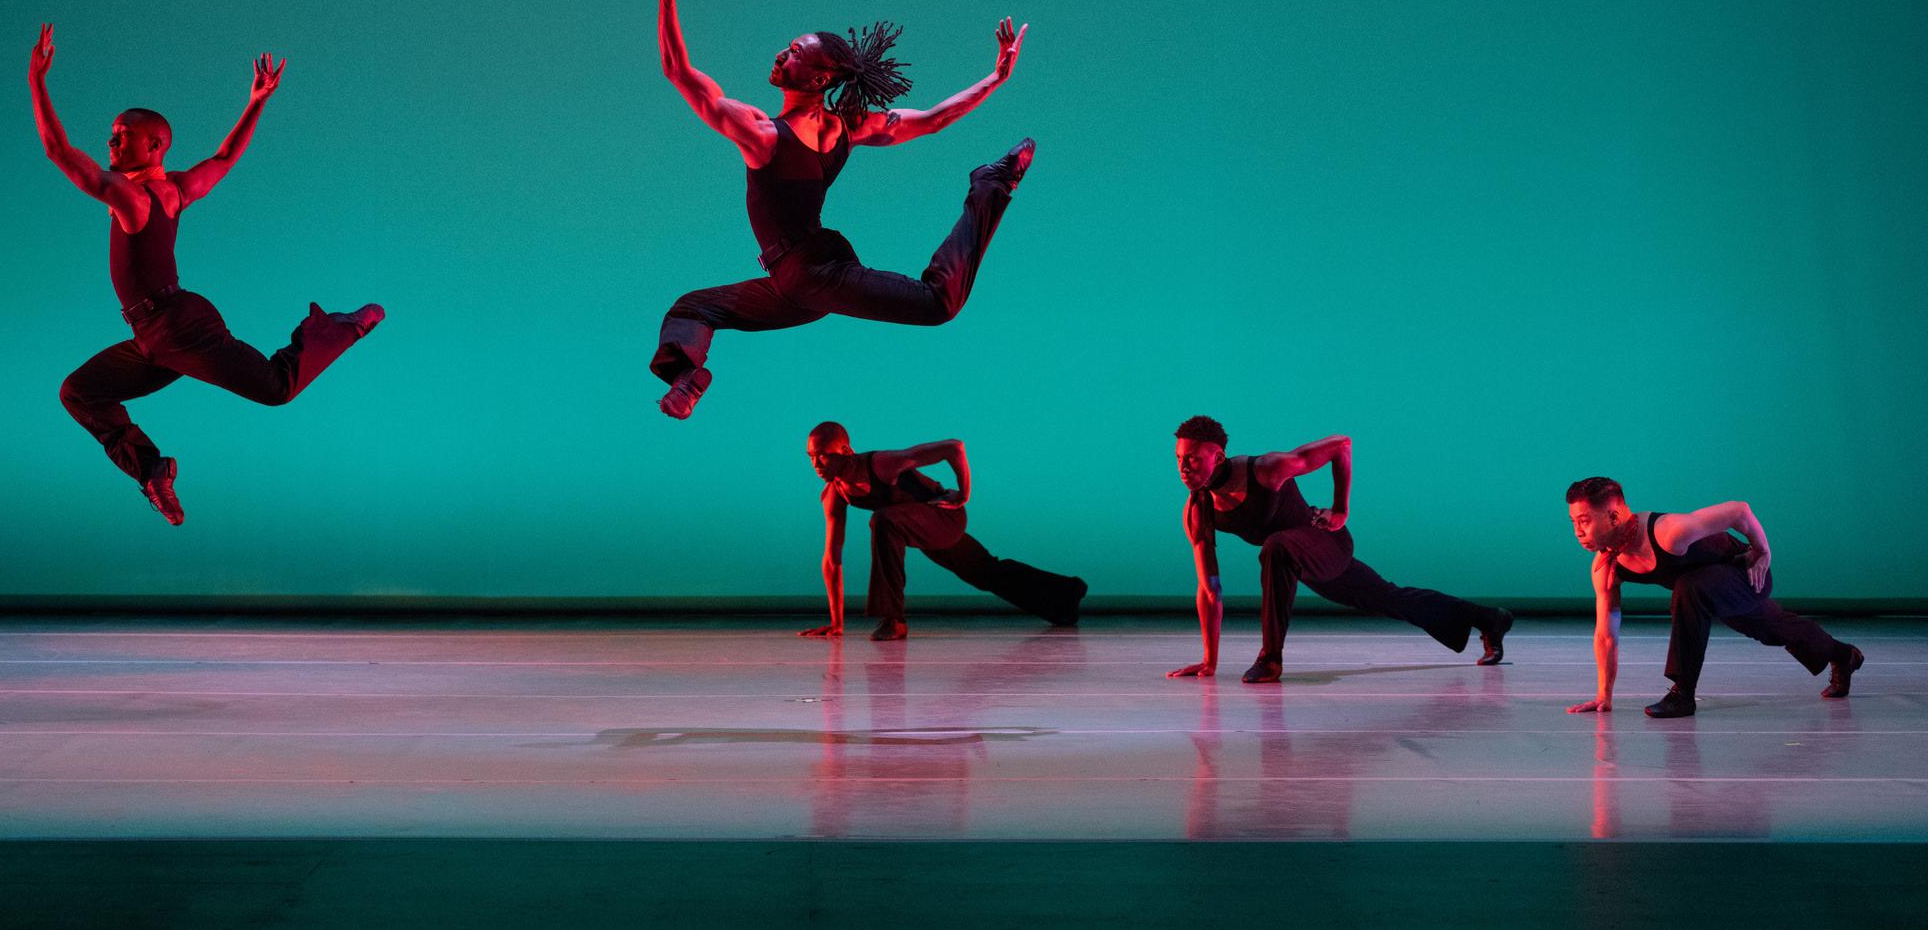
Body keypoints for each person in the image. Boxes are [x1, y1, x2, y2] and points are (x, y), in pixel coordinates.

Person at [649, 0, 1035, 418]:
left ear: (817, 80)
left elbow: (679, 72)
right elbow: (932, 118)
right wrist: (993, 80)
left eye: (792, 52)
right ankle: (688, 378)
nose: (780, 54)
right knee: (691, 308)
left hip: (814, 274)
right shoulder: (846, 128)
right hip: (793, 288)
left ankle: (990, 184)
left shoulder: (764, 135)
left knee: (938, 304)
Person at [30, 24, 383, 525]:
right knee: (80, 391)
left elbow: (60, 153)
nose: (109, 140)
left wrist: (37, 83)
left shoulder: (132, 197)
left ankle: (339, 328)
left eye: (122, 135)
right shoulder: (176, 191)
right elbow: (224, 157)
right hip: (153, 336)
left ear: (155, 146)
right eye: (111, 133)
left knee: (275, 389)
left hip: (176, 328)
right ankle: (153, 471)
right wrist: (256, 101)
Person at [1166, 415, 1512, 683]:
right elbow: (1210, 590)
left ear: (1219, 456)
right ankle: (1490, 619)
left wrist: (1340, 511)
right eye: (1179, 458)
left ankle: (1270, 659)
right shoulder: (1198, 511)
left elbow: (1340, 445)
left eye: (1193, 458)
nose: (1183, 467)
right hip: (1297, 563)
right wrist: (1210, 660)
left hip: (1326, 544)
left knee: (1276, 544)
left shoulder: (1267, 470)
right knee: (1388, 597)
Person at [1562, 476, 1864, 718]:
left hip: (1745, 573)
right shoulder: (1607, 566)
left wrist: (1763, 552)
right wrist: (1604, 695)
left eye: (1584, 521)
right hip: (1712, 591)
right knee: (1773, 629)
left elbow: (1739, 510)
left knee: (1689, 587)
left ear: (1613, 515)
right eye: (1574, 522)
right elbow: (1606, 635)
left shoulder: (1668, 533)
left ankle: (1682, 695)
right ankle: (1844, 655)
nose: (1577, 531)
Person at [798, 421, 1087, 640]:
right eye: (811, 457)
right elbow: (832, 559)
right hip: (917, 527)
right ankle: (1066, 597)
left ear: (846, 451)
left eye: (823, 455)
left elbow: (954, 447)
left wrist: (963, 493)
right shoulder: (834, 494)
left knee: (883, 520)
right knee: (985, 572)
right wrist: (837, 623)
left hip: (941, 517)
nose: (815, 464)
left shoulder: (882, 464)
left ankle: (894, 620)